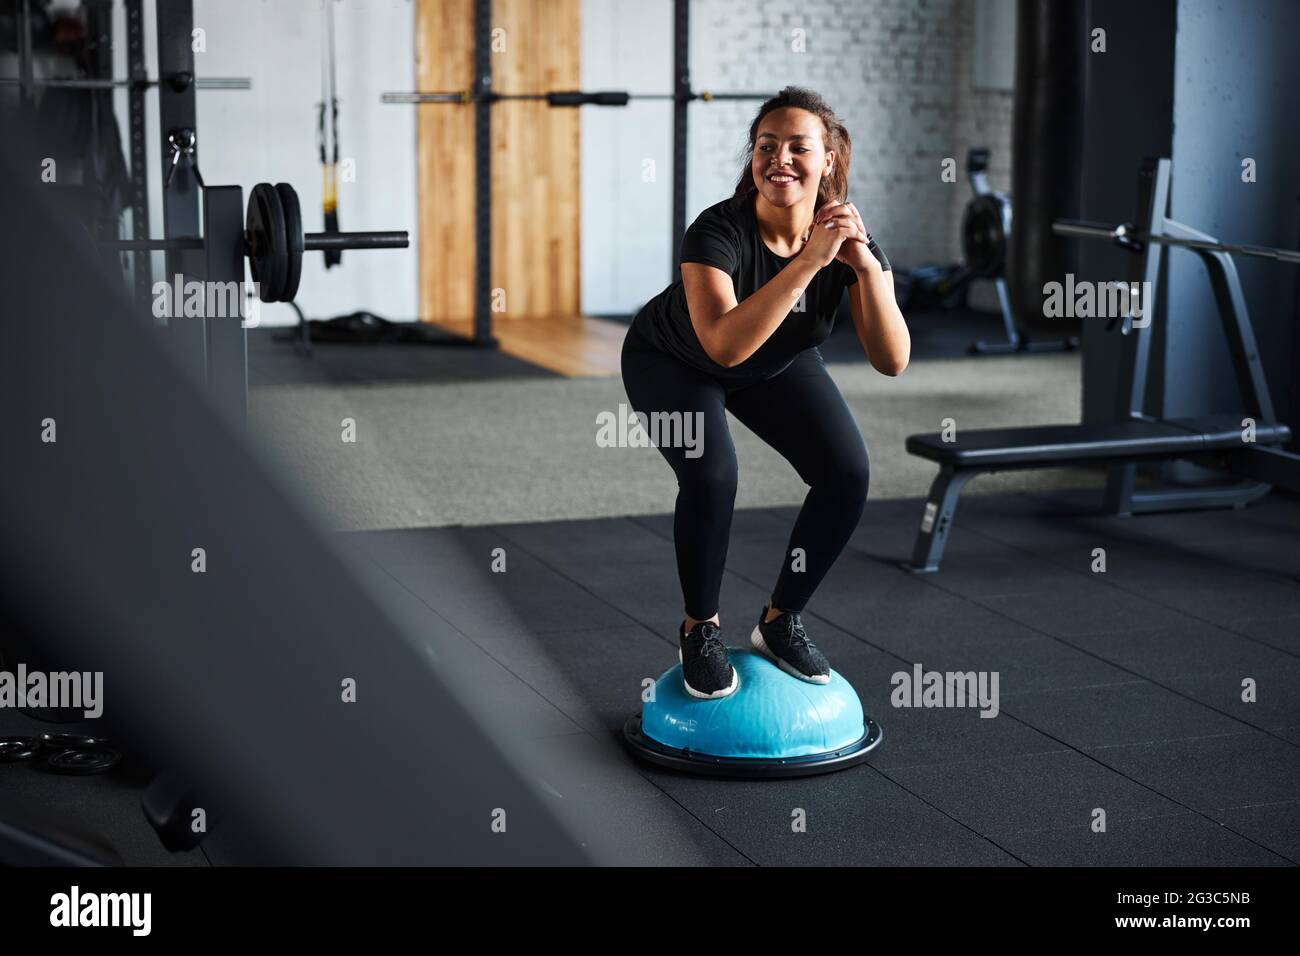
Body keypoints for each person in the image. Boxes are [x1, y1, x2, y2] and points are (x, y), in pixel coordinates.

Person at [621, 86, 910, 699]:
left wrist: (863, 269)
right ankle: (700, 627)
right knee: (713, 474)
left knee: (847, 472)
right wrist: (810, 260)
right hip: (676, 361)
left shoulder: (845, 240)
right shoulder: (716, 231)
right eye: (766, 146)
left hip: (776, 359)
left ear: (828, 160)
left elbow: (893, 360)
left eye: (798, 147)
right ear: (752, 157)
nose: (779, 159)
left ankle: (781, 622)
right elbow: (725, 346)